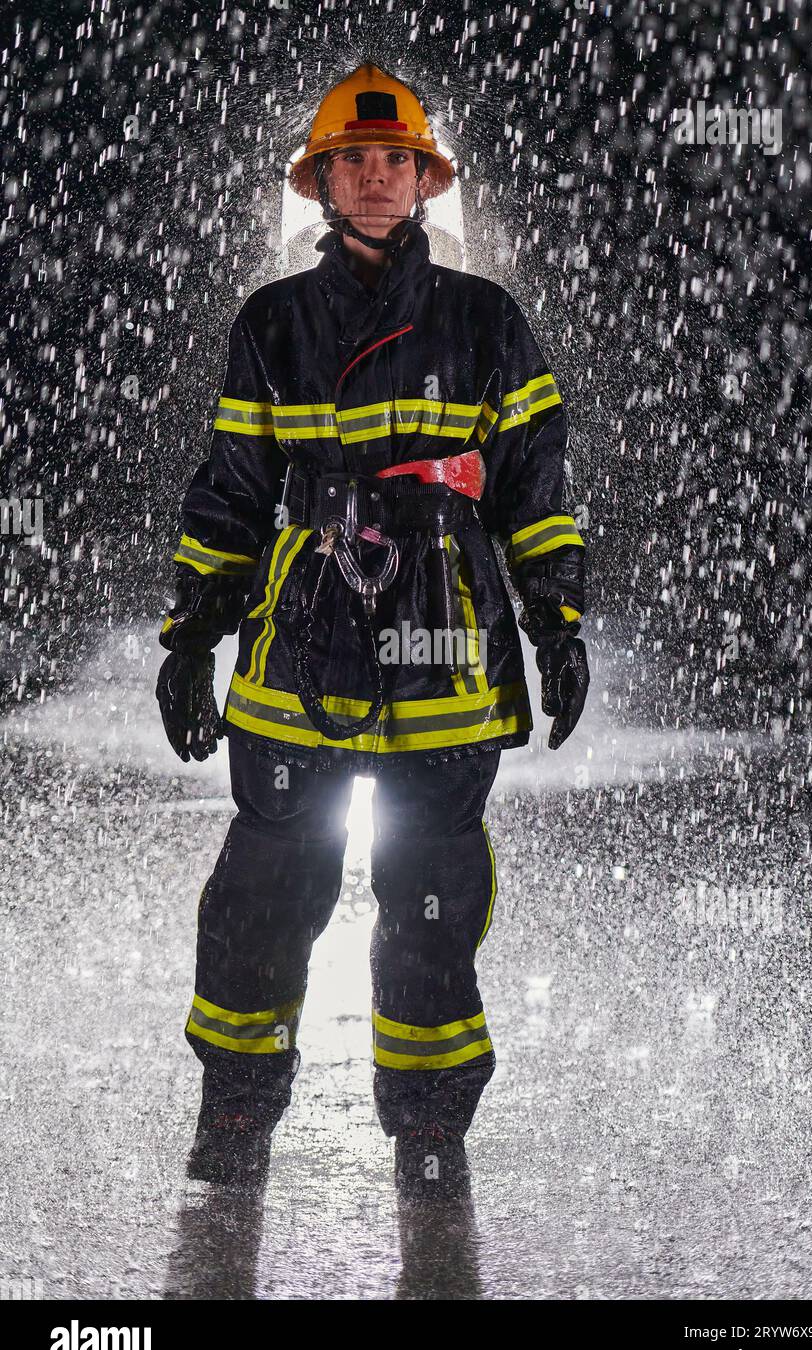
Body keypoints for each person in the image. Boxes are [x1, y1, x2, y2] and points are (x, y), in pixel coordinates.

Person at [155, 62, 590, 1200]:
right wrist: (191, 635)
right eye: (354, 160)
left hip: (443, 657)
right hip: (299, 656)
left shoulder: (487, 323)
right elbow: (233, 491)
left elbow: (533, 490)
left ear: (424, 179)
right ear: (322, 182)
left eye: (394, 161)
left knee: (431, 904)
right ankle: (237, 1115)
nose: (376, 179)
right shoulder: (272, 326)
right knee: (263, 892)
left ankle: (431, 1131)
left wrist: (556, 624)